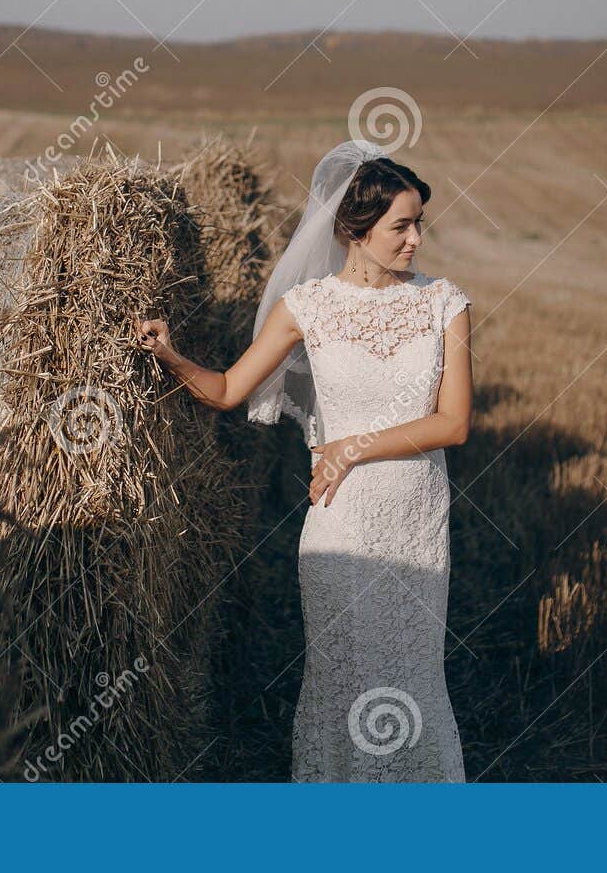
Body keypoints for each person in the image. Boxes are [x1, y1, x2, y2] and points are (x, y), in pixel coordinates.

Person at [136, 138, 472, 781]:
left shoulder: (443, 304)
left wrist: (352, 445)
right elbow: (229, 391)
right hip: (341, 524)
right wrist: (170, 355)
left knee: (411, 673)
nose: (414, 242)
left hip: (417, 523)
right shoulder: (306, 307)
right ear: (355, 228)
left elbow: (453, 424)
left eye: (418, 225)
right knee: (343, 674)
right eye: (401, 226)